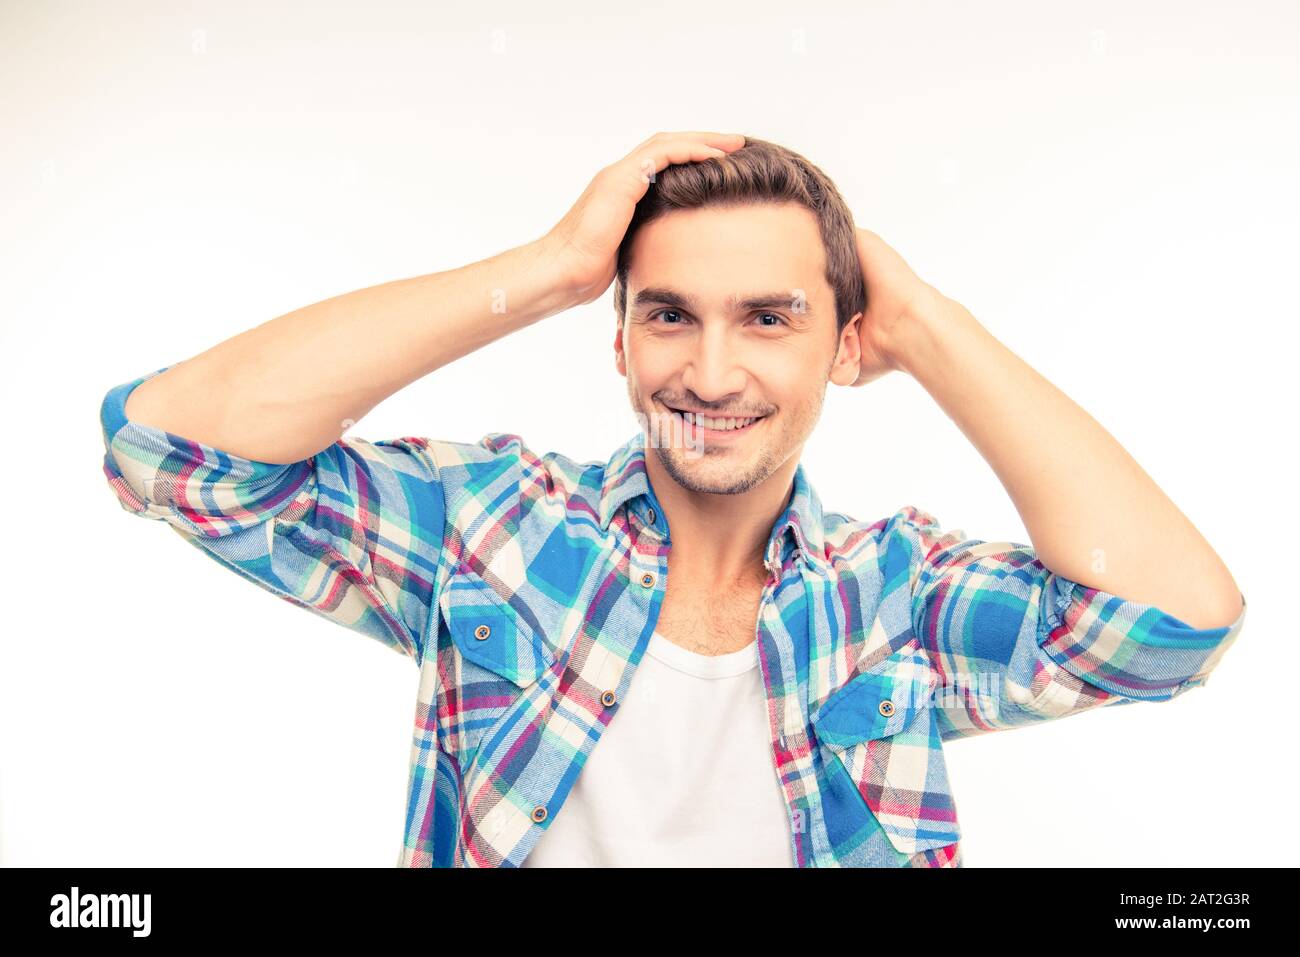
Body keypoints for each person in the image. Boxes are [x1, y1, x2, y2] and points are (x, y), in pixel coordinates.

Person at [98, 131, 1247, 868]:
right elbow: (172, 451)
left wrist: (932, 328)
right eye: (667, 315)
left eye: (768, 318)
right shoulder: (495, 528)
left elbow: (1172, 629)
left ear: (846, 348)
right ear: (619, 339)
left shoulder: (893, 592)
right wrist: (550, 266)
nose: (707, 373)